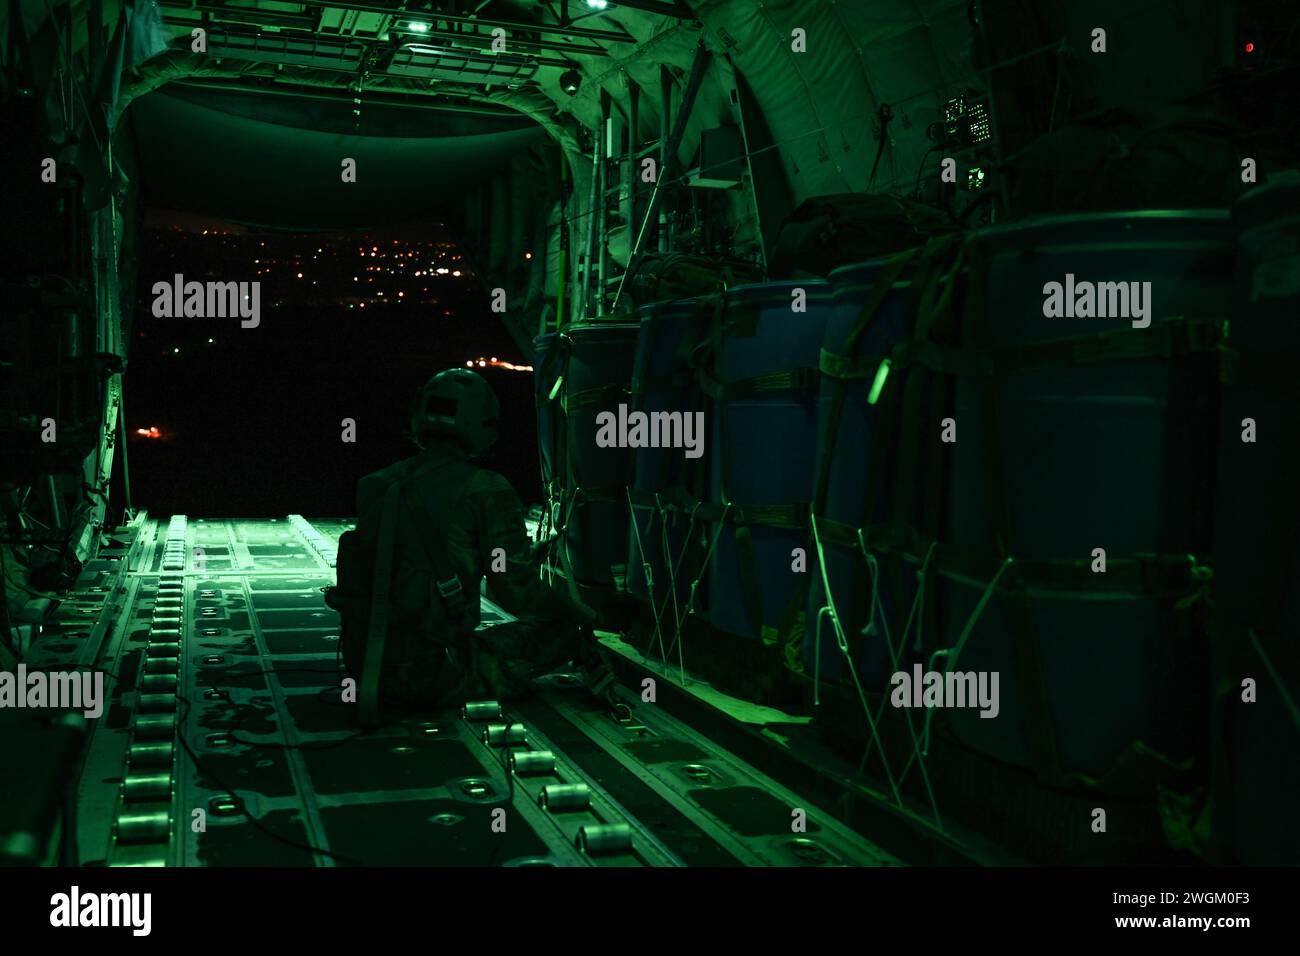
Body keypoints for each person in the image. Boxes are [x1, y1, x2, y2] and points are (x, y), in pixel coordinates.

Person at [334, 367, 602, 714]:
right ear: (480, 425)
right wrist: (580, 612)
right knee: (567, 630)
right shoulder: (486, 489)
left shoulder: (376, 485)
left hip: (365, 670)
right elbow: (518, 594)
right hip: (435, 674)